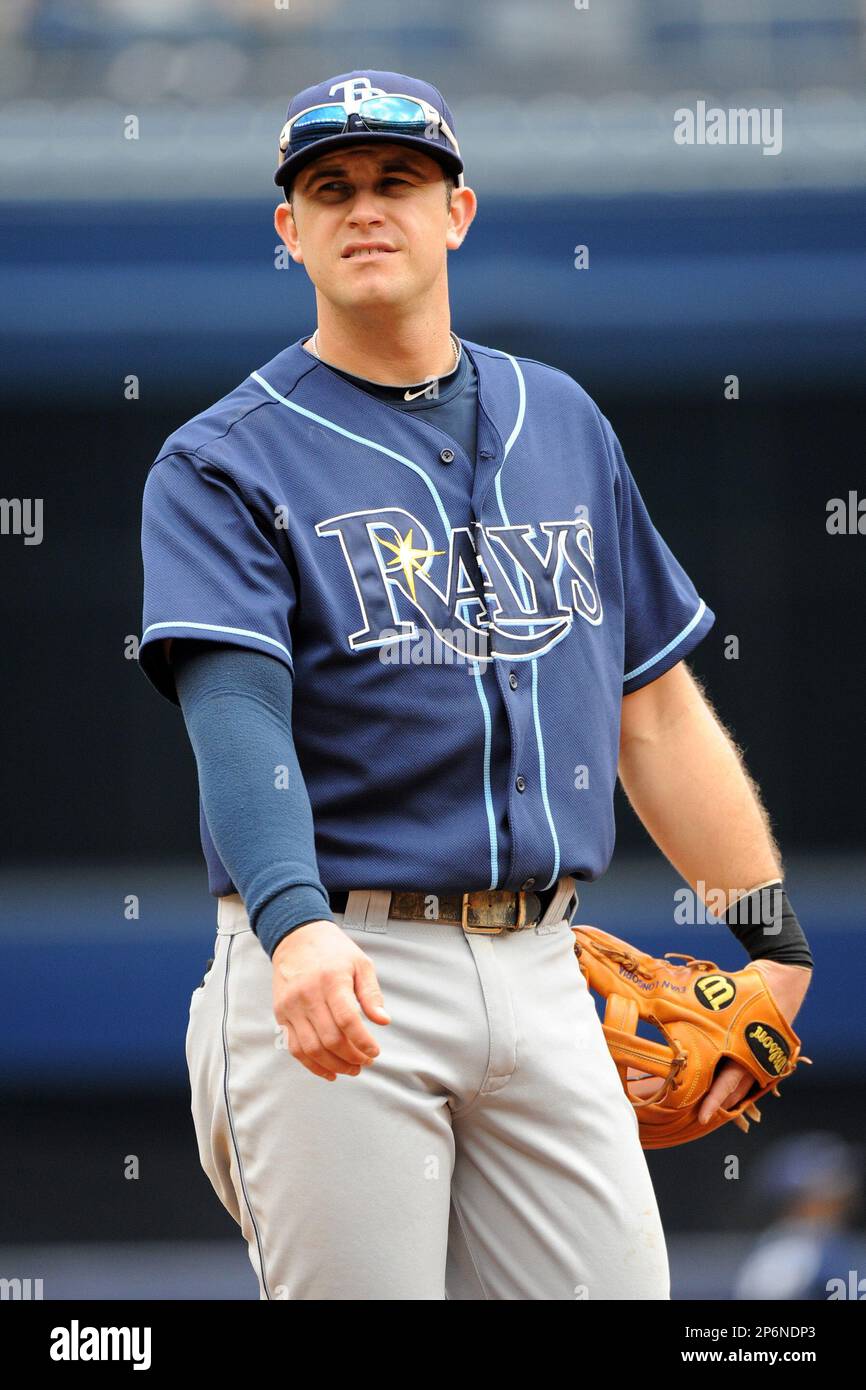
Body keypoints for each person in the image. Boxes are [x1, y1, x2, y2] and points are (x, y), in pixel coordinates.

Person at [139, 69, 813, 1300]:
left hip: (548, 962)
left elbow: (650, 710)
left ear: (458, 211)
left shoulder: (560, 420)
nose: (364, 209)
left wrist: (769, 939)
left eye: (398, 180)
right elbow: (237, 718)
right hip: (338, 958)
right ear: (289, 233)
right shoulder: (218, 461)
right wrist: (292, 929)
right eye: (328, 188)